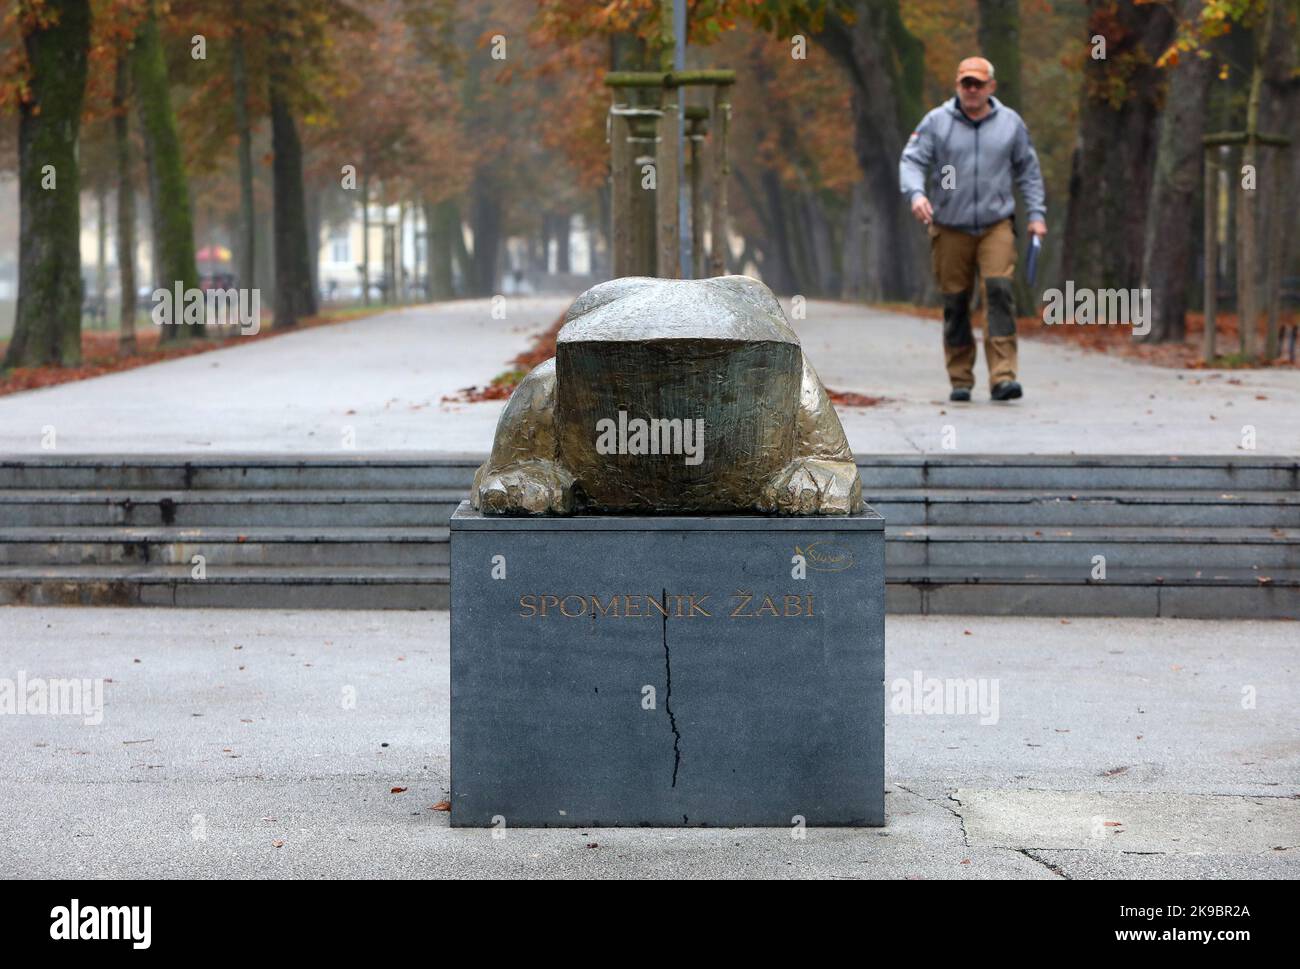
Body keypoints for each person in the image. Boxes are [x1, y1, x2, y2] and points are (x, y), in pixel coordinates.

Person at [899, 56, 1047, 402]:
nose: (972, 90)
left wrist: (1037, 215)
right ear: (957, 86)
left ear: (990, 87)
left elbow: (1028, 171)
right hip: (950, 226)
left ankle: (1003, 376)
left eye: (978, 83)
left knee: (998, 291)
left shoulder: (1010, 124)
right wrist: (917, 194)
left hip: (996, 223)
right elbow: (911, 160)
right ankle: (961, 378)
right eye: (966, 83)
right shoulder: (937, 122)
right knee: (955, 300)